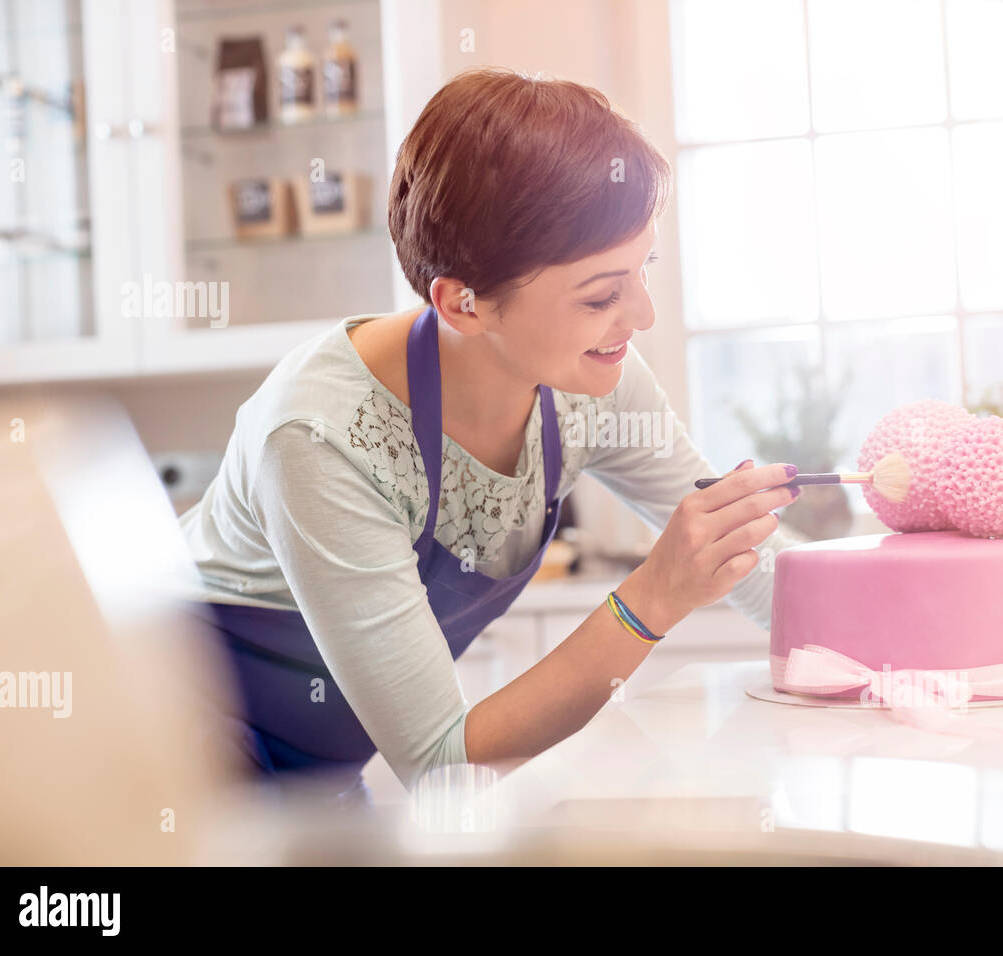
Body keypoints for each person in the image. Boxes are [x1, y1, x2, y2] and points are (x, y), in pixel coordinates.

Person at [180, 68, 801, 807]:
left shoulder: (592, 381)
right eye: (602, 293)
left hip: (323, 776)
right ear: (464, 304)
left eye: (644, 272)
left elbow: (754, 562)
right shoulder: (319, 437)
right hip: (167, 756)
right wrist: (654, 598)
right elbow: (444, 769)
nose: (641, 316)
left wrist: (918, 613)